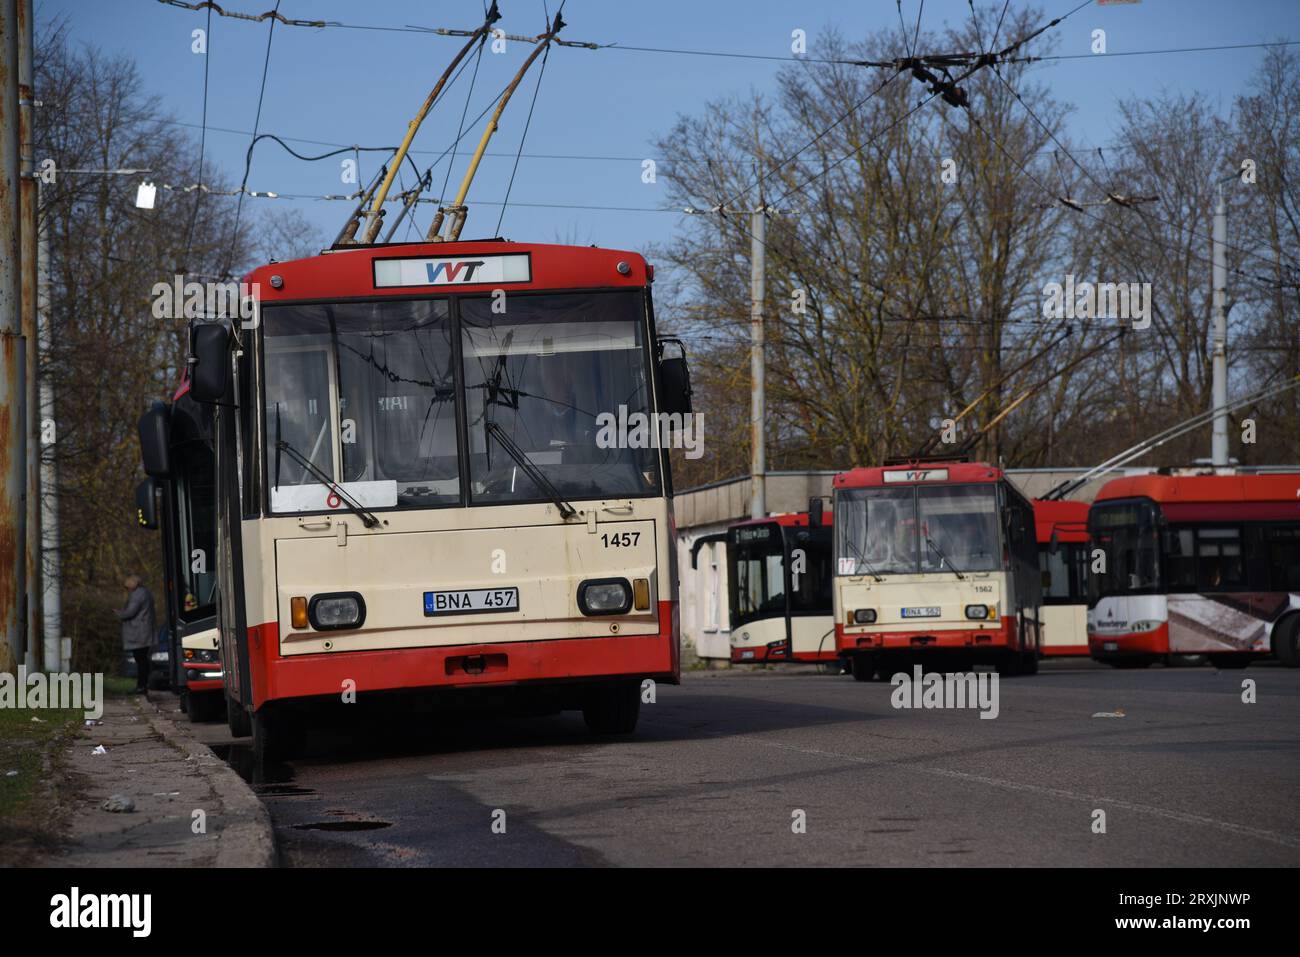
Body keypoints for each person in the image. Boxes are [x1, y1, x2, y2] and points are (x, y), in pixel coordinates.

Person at [117, 575, 156, 693]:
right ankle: (143, 685)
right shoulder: (146, 593)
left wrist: (119, 613)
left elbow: (130, 612)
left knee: (140, 660)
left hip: (139, 633)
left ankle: (141, 686)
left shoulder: (138, 595)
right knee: (142, 659)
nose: (127, 590)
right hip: (144, 631)